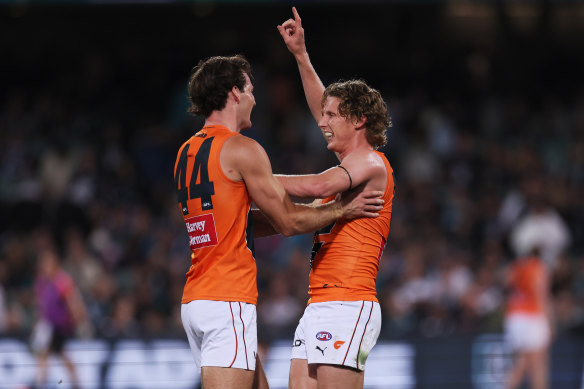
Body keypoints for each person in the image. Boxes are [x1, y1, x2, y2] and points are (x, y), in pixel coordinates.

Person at [174, 54, 384, 389]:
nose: (256, 99)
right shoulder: (240, 149)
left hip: (198, 298)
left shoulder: (187, 151)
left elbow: (241, 221)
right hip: (228, 298)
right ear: (233, 94)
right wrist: (337, 211)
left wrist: (301, 55)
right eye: (250, 90)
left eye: (332, 116)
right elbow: (292, 216)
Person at [277, 8, 395, 389]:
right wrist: (300, 55)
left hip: (349, 304)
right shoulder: (352, 160)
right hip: (320, 304)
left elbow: (317, 188)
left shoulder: (372, 163)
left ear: (358, 119)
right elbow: (321, 107)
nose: (322, 122)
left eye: (332, 116)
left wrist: (251, 176)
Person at [31, 248, 90, 389]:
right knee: (53, 354)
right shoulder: (41, 282)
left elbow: (73, 301)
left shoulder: (62, 280)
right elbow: (42, 304)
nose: (45, 266)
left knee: (45, 353)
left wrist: (77, 317)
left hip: (59, 325)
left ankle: (39, 383)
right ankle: (76, 384)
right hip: (47, 325)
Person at [504, 247, 553, 389]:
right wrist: (549, 323)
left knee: (522, 362)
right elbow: (542, 296)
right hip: (532, 317)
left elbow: (509, 292)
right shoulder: (539, 267)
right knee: (539, 365)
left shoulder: (514, 268)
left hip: (514, 318)